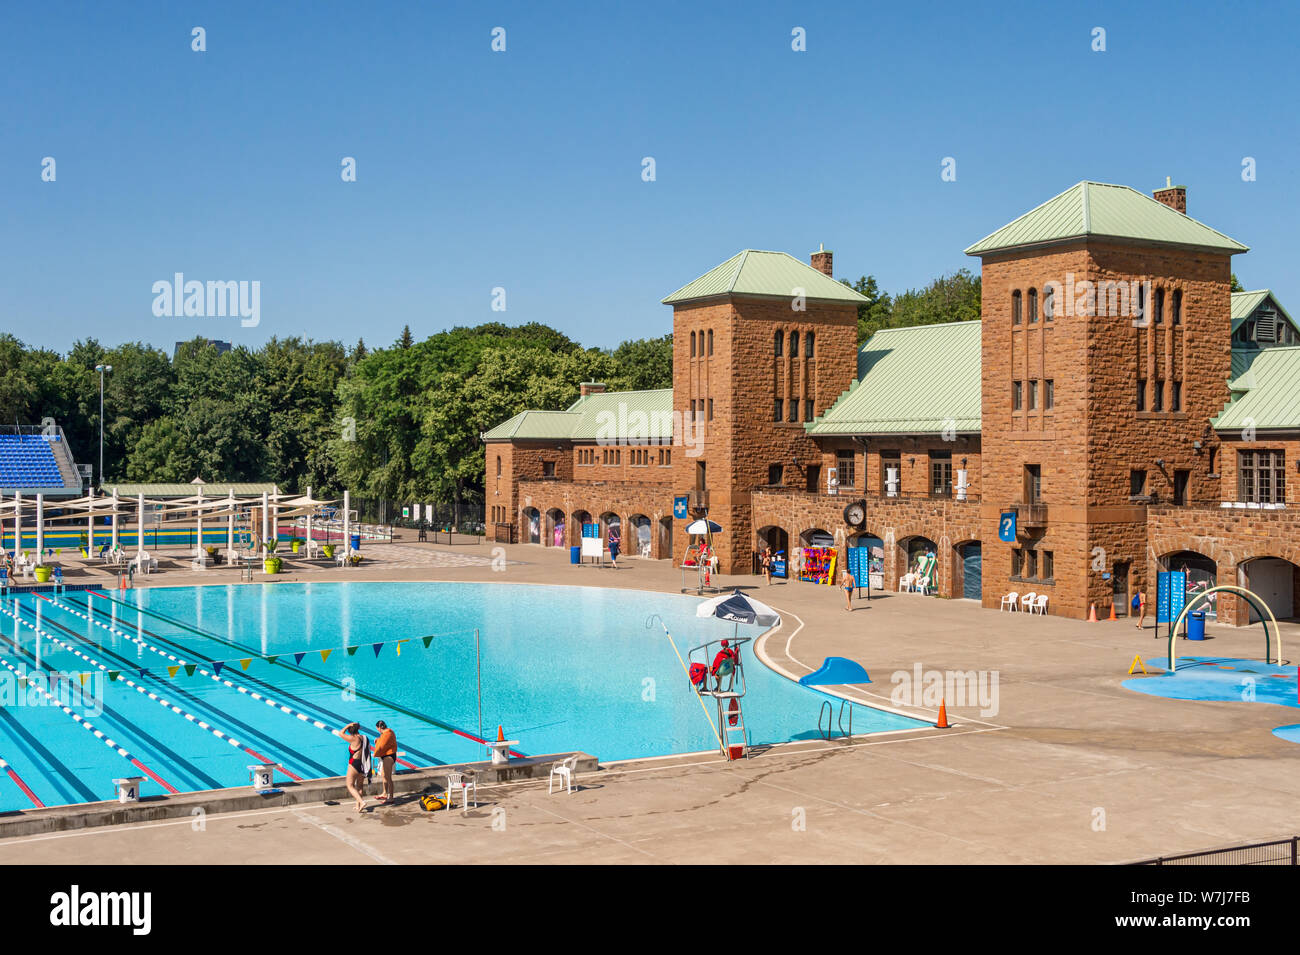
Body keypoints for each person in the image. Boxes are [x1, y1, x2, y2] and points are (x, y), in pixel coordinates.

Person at [334, 722, 369, 812]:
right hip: (363, 764)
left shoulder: (353, 738)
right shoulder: (364, 738)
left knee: (350, 785)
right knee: (360, 786)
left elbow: (340, 733)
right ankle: (358, 806)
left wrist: (347, 725)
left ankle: (361, 802)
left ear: (350, 730)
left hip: (354, 764)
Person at [373, 720, 397, 803]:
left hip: (388, 757)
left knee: (388, 777)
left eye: (377, 729)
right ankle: (384, 793)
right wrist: (378, 740)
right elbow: (383, 741)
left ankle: (391, 797)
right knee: (384, 775)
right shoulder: (388, 732)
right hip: (387, 756)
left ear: (379, 728)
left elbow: (381, 747)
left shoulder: (387, 734)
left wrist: (376, 742)